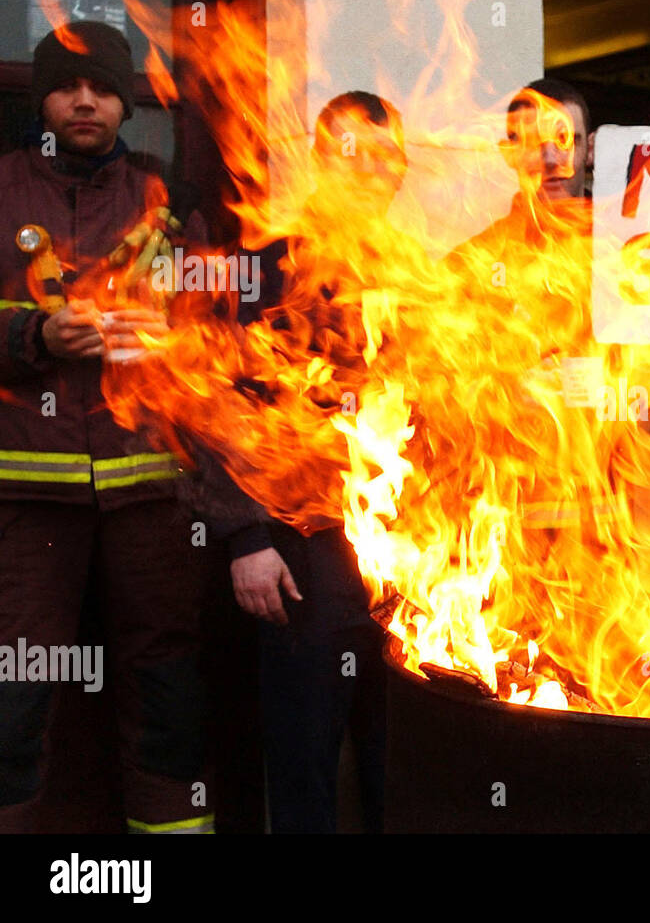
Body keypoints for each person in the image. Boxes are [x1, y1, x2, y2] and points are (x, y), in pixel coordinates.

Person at [0, 21, 213, 833]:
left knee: (167, 687)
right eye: (65, 86)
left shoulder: (168, 202)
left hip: (151, 490)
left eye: (101, 88)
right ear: (42, 98)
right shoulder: (2, 191)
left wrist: (172, 340)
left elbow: (215, 334)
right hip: (28, 496)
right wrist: (34, 336)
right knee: (16, 694)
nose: (83, 101)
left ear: (125, 101)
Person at [203, 91, 413, 833]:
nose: (367, 170)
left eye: (383, 156)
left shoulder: (427, 279)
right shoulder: (263, 268)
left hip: (412, 560)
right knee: (304, 757)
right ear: (322, 161)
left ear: (401, 172)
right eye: (349, 152)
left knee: (405, 755)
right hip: (302, 545)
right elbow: (217, 404)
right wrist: (246, 537)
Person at [450, 78, 650, 460]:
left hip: (635, 496)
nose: (551, 158)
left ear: (589, 151)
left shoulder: (641, 251)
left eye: (566, 140)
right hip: (520, 495)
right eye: (534, 143)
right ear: (509, 154)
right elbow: (449, 390)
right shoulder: (474, 264)